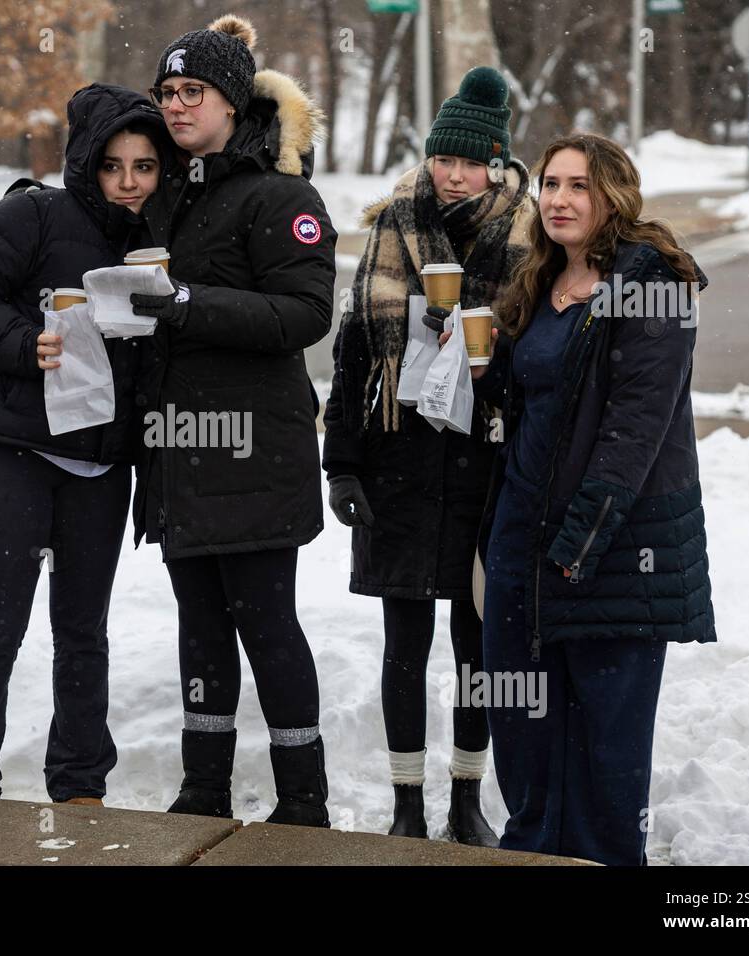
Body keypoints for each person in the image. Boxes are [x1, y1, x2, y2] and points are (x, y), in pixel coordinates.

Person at [471, 132, 716, 865]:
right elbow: (531, 411)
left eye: (579, 185)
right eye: (550, 184)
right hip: (521, 543)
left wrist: (579, 544)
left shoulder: (652, 282)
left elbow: (635, 429)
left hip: (612, 550)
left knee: (605, 751)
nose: (559, 200)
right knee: (523, 734)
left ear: (613, 195)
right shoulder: (536, 282)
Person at [0, 84, 170, 806]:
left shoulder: (161, 240)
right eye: (112, 165)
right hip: (14, 453)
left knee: (83, 631)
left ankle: (79, 785)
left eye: (145, 166)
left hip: (100, 464)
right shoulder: (37, 212)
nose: (128, 182)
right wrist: (17, 342)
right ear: (85, 165)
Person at [128, 14, 338, 826]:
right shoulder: (170, 192)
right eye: (168, 93)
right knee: (199, 629)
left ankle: (304, 800)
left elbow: (303, 314)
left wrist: (184, 302)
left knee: (267, 626)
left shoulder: (282, 195)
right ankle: (204, 787)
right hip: (179, 454)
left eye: (194, 92)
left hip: (256, 453)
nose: (177, 107)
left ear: (232, 101)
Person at [322, 66, 534, 844]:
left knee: (477, 644)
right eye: (443, 158)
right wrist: (340, 463)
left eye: (469, 161)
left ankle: (466, 800)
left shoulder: (527, 231)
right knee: (403, 643)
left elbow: (541, 353)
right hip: (399, 464)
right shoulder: (391, 223)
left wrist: (490, 361)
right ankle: (407, 802)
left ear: (496, 162)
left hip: (486, 466)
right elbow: (351, 353)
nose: (452, 174)